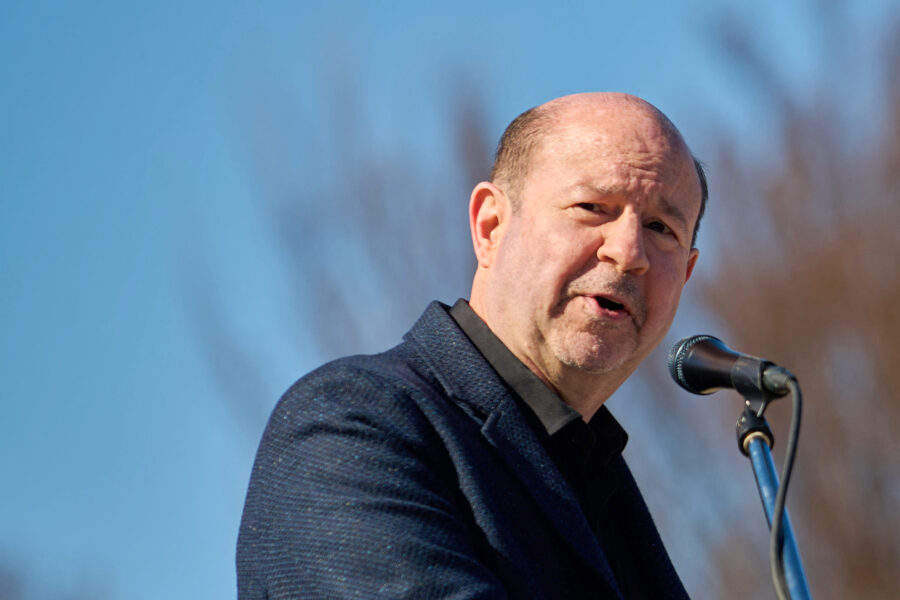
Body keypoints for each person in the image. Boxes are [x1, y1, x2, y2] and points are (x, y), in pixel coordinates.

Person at [237, 92, 705, 599]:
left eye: (661, 228)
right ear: (491, 226)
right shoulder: (352, 424)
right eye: (592, 208)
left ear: (687, 273)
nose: (628, 251)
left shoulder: (605, 489)